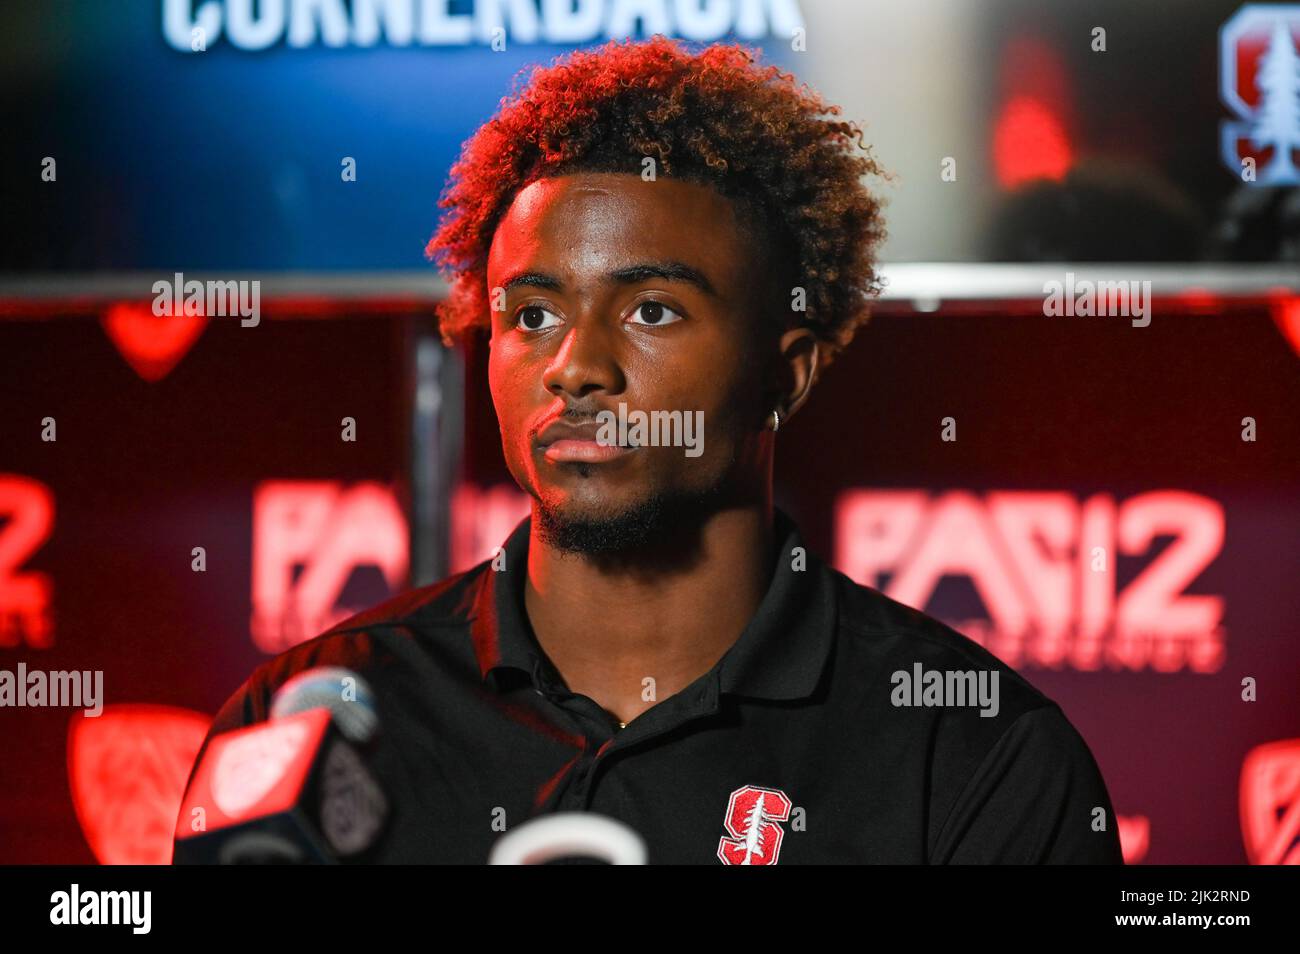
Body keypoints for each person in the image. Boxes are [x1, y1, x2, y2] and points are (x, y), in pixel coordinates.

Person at [176, 36, 1123, 864]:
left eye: (653, 310)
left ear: (784, 375)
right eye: (534, 313)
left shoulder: (973, 755)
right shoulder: (300, 728)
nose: (576, 368)